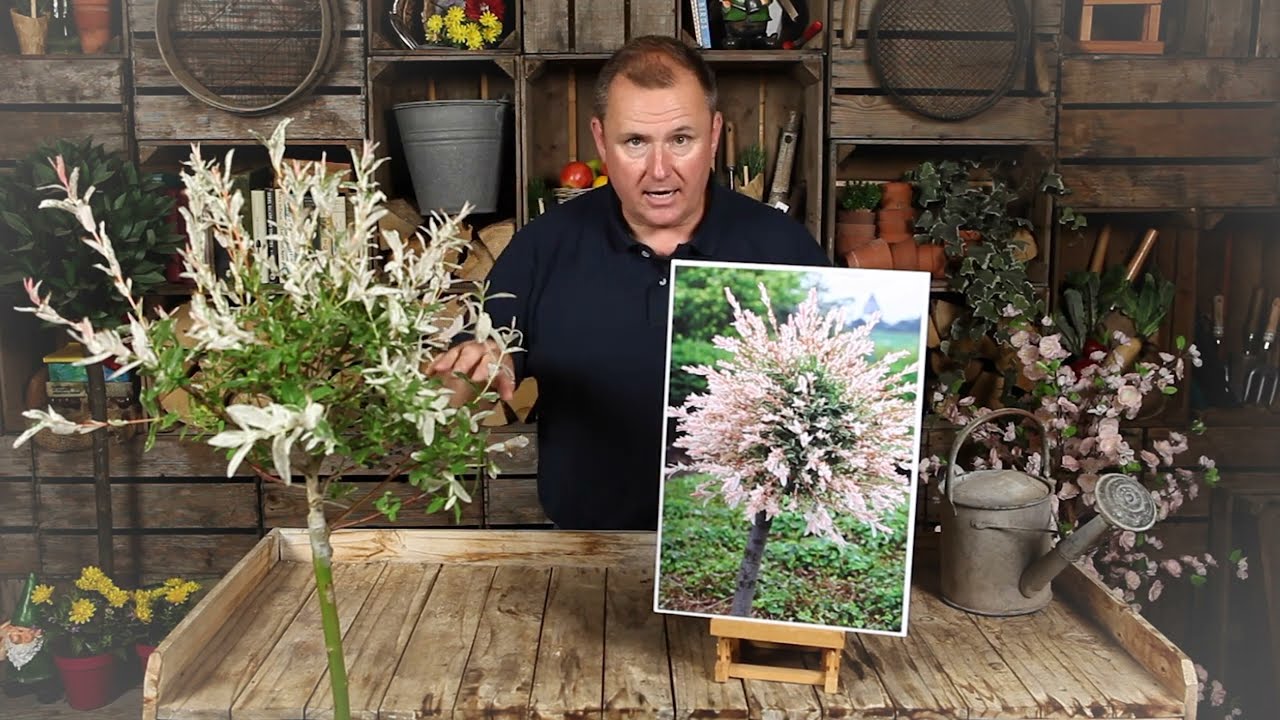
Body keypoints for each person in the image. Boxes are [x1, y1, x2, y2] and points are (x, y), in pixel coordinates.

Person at [430, 34, 829, 531]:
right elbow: (469, 375)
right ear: (601, 141)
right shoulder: (542, 246)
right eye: (635, 142)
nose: (659, 171)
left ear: (714, 135)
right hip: (588, 546)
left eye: (681, 140)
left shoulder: (784, 248)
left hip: (746, 546)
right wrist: (469, 373)